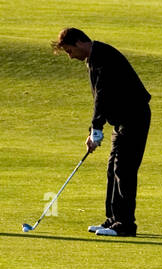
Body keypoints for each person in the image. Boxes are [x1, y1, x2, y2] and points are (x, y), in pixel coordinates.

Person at [52, 28, 151, 237]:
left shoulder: (102, 57)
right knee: (113, 168)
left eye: (69, 51)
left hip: (134, 117)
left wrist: (96, 129)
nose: (70, 57)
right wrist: (94, 129)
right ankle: (113, 219)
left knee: (123, 170)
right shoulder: (94, 57)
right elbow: (102, 97)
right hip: (123, 120)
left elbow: (102, 95)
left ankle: (125, 225)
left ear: (79, 42)